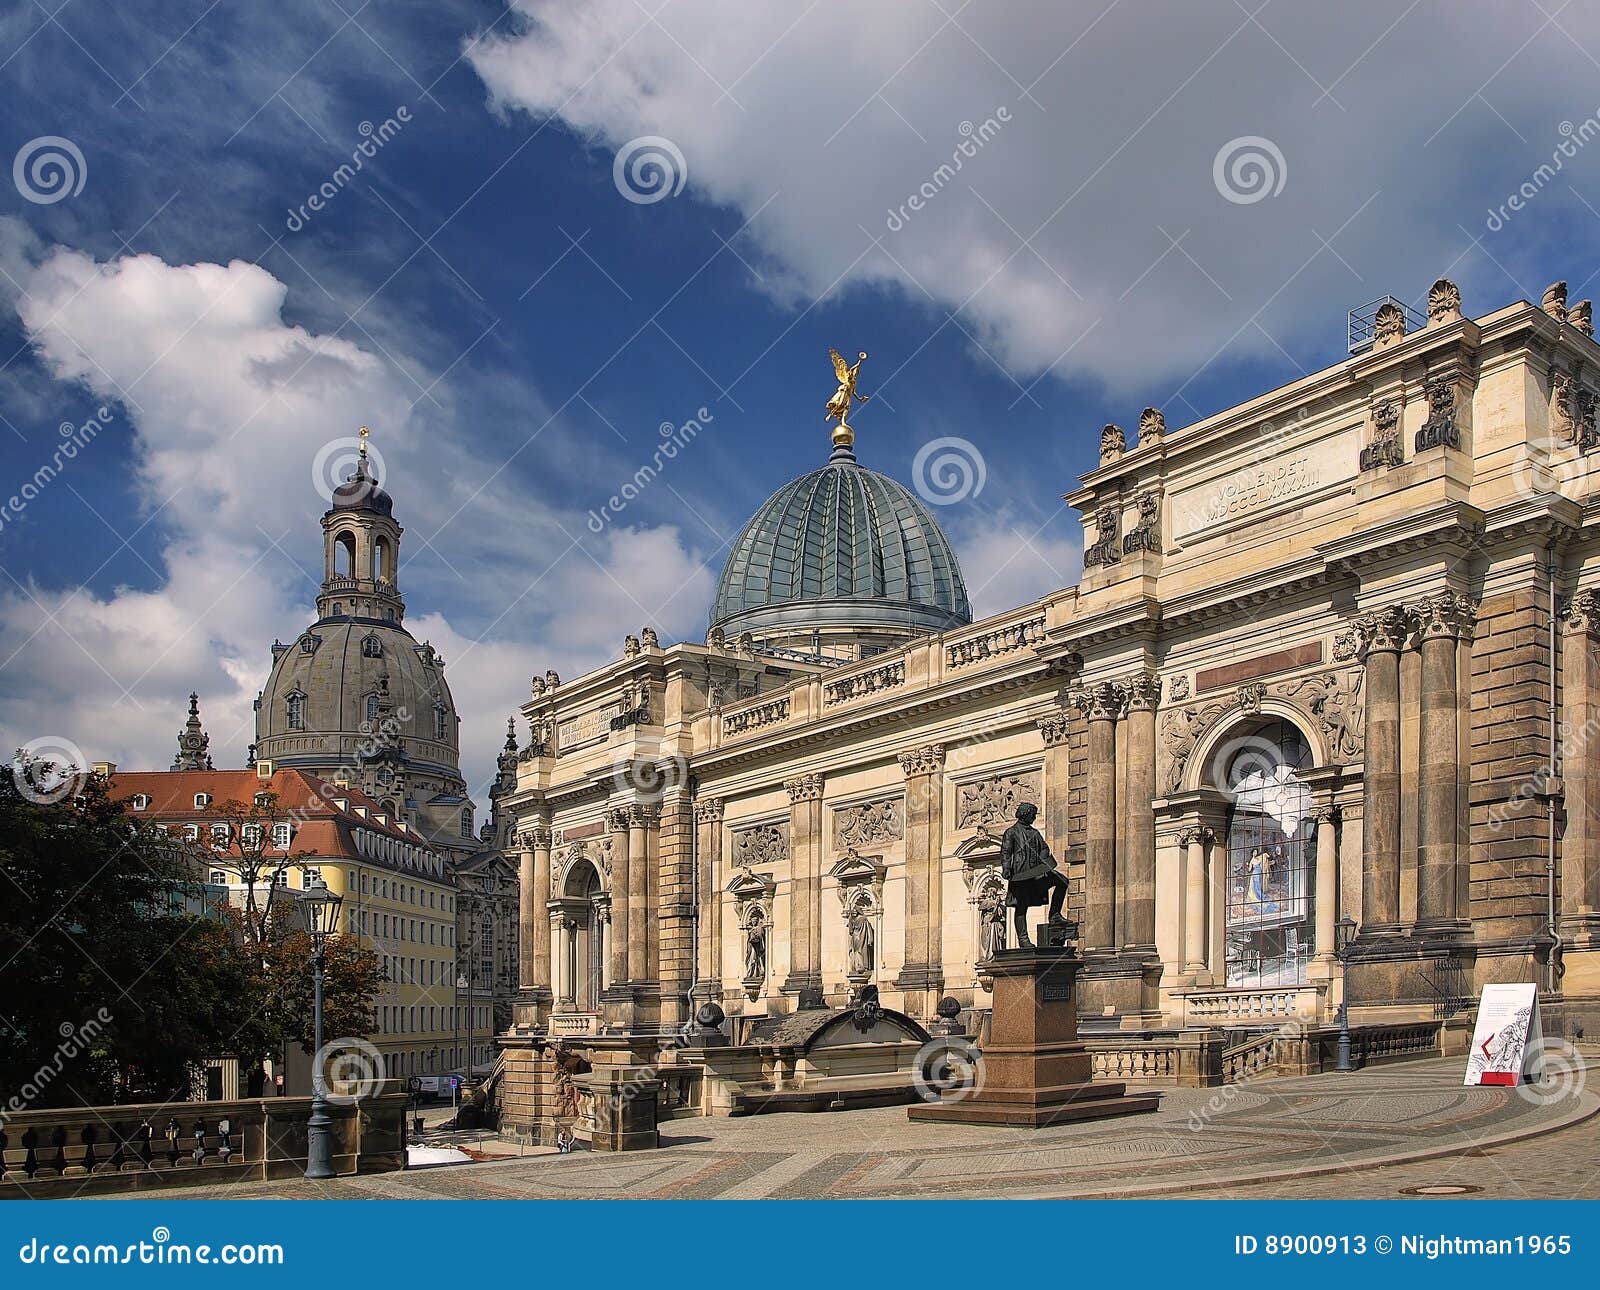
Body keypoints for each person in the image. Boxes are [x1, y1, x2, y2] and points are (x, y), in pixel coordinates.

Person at [999, 801, 1070, 948]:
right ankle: (1023, 939)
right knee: (1021, 905)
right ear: (1025, 814)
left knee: (1062, 881)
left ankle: (1054, 915)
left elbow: (1044, 848)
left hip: (1037, 872)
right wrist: (1006, 868)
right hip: (1021, 873)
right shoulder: (1011, 832)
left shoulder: (1035, 833)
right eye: (1033, 814)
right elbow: (1006, 852)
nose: (1034, 817)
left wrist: (1044, 862)